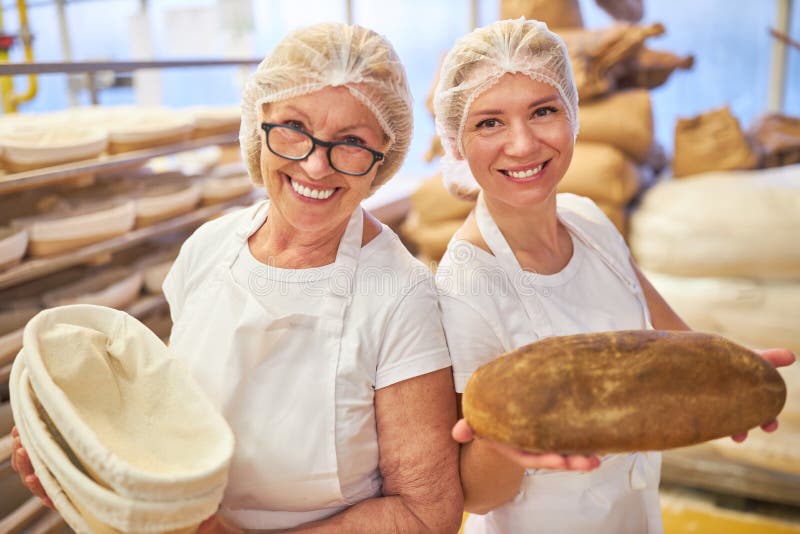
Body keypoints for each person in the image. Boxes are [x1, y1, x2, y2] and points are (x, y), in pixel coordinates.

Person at [12, 22, 463, 533]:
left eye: (351, 141)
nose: (316, 165)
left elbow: (426, 514)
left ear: (386, 151)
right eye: (294, 125)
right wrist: (87, 479)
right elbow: (166, 422)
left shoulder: (401, 295)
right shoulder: (208, 248)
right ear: (260, 119)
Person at [431, 18, 795, 534]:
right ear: (455, 140)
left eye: (543, 111)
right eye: (489, 122)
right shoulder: (466, 282)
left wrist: (731, 370)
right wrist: (501, 444)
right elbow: (480, 496)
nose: (522, 144)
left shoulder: (587, 219)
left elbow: (667, 341)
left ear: (573, 116)